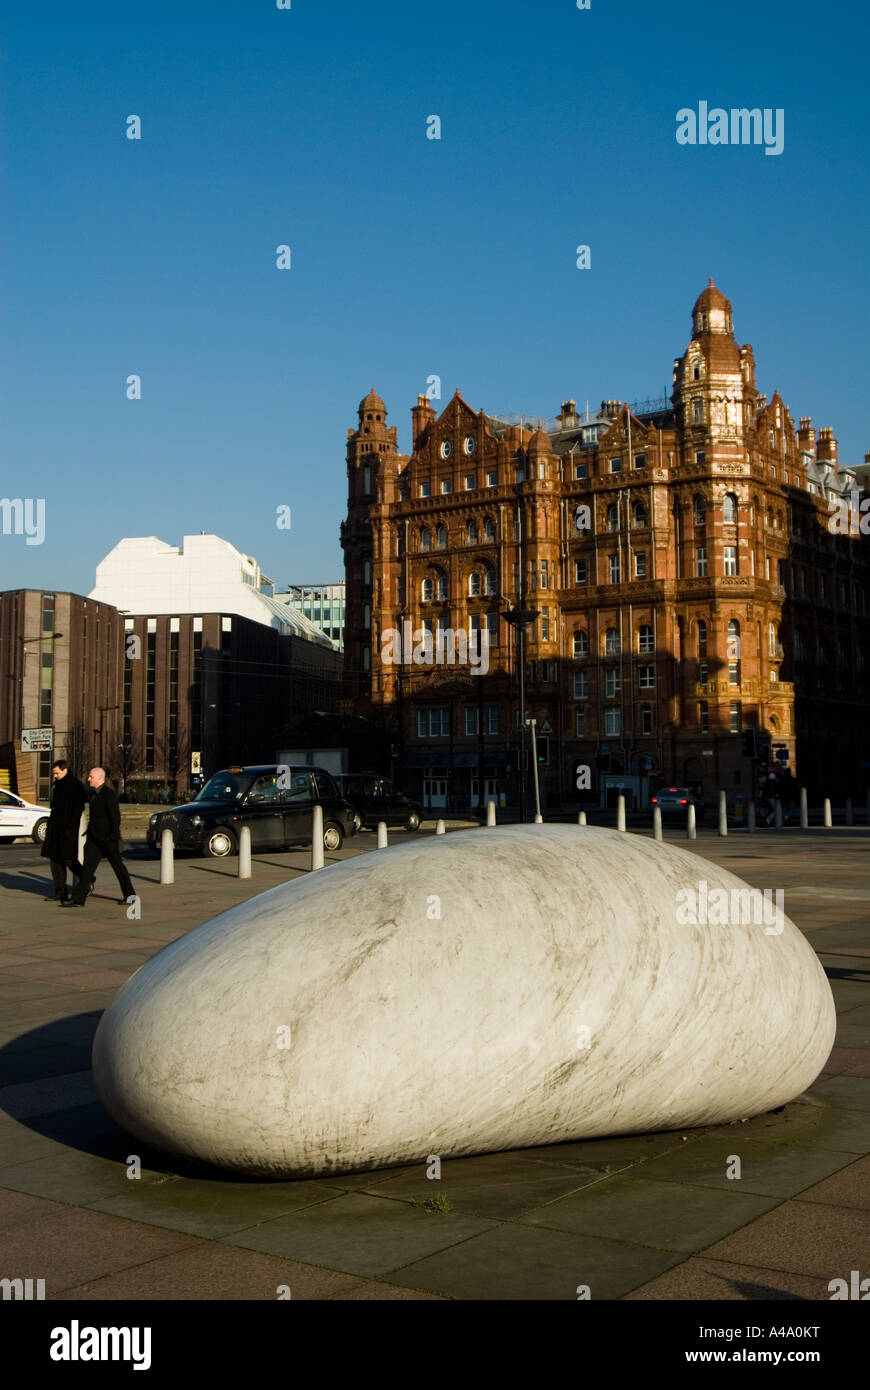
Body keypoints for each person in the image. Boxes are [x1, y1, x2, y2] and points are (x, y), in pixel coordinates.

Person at [62, 767, 135, 907]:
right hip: (94, 838)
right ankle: (78, 899)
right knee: (87, 869)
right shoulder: (92, 793)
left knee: (118, 868)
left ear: (100, 778)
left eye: (91, 777)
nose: (88, 779)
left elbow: (115, 817)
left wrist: (113, 837)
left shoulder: (109, 794)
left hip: (108, 839)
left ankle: (130, 895)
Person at [41, 760, 87, 903]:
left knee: (68, 859)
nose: (55, 776)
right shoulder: (57, 785)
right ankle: (60, 892)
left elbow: (78, 808)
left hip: (67, 829)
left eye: (57, 773)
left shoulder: (75, 786)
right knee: (55, 860)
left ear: (65, 770)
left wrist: (70, 827)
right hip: (55, 829)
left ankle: (87, 878)